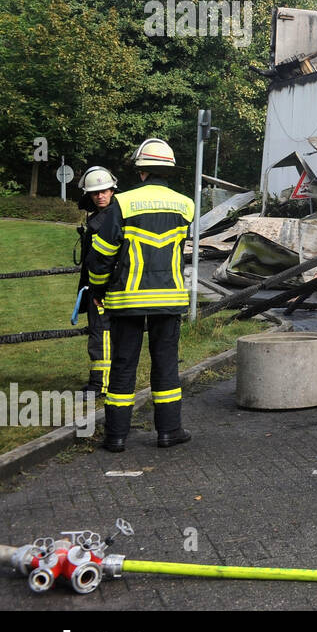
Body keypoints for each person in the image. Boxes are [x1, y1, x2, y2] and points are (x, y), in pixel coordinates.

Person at [87, 138, 195, 452]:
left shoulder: (124, 202)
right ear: (168, 170)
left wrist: (97, 289)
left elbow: (103, 254)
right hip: (169, 299)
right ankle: (169, 431)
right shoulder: (185, 204)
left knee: (123, 365)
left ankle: (116, 436)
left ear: (142, 171)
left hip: (128, 300)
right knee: (166, 365)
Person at [76, 166, 118, 396]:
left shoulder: (107, 220)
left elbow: (103, 260)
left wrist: (97, 292)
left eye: (105, 191)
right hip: (100, 286)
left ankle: (99, 385)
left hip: (104, 288)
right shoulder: (104, 216)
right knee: (105, 334)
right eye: (95, 193)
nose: (100, 196)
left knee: (100, 334)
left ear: (112, 191)